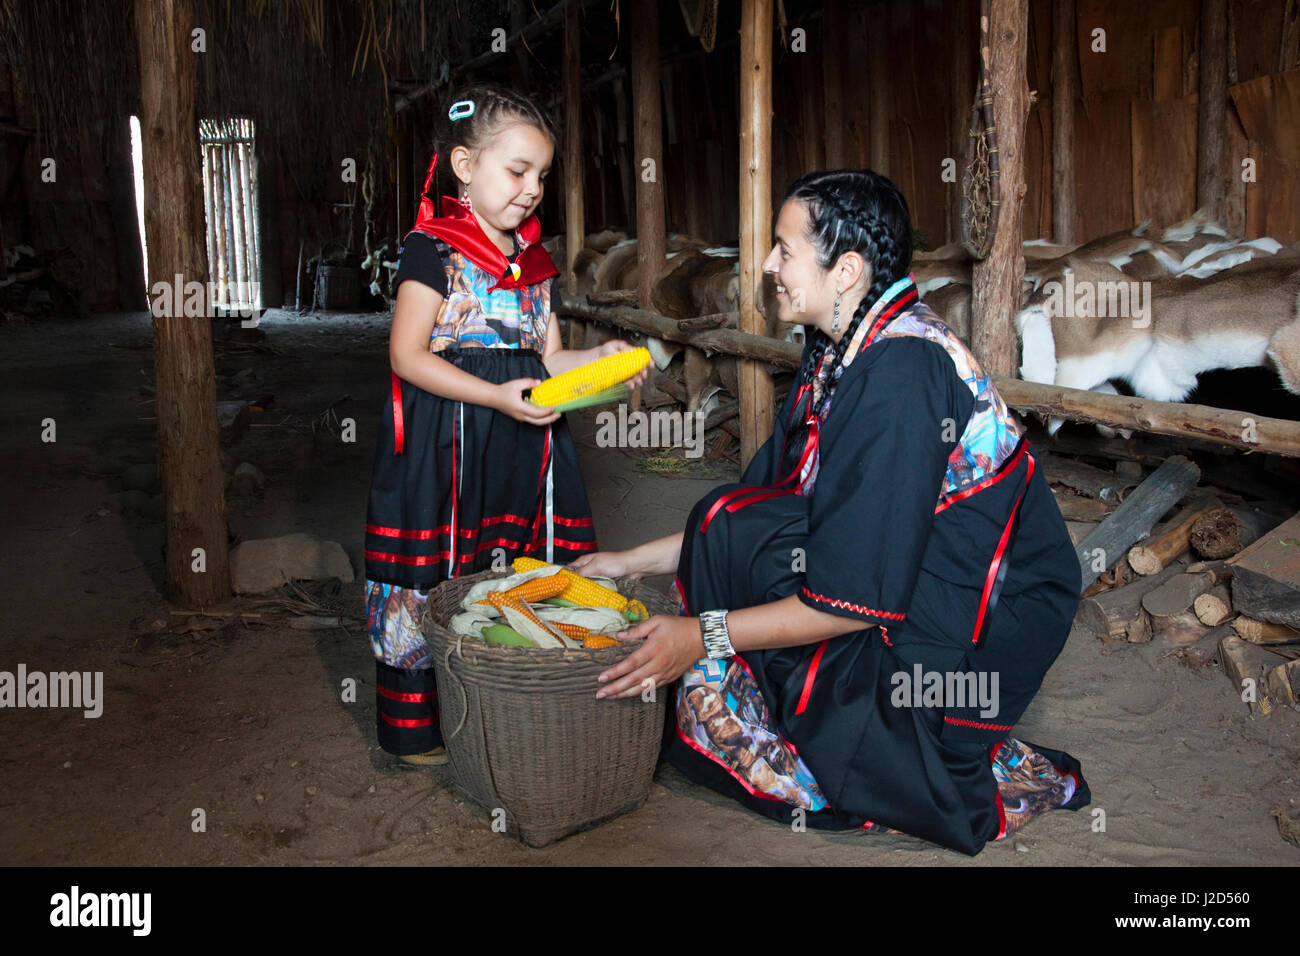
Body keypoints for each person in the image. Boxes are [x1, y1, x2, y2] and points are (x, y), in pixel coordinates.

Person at [573, 169, 1089, 855]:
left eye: (783, 249)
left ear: (846, 269)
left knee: (865, 747)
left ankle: (909, 735)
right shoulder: (839, 350)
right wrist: (628, 560)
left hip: (987, 604)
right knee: (732, 520)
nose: (764, 265)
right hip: (913, 560)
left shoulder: (901, 373)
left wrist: (701, 637)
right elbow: (771, 498)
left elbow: (853, 599)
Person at [363, 83, 647, 766]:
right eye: (517, 171)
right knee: (431, 570)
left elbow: (547, 358)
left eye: (542, 177)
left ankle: (514, 703)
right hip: (447, 443)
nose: (531, 189)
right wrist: (493, 398)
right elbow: (406, 355)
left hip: (524, 441)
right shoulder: (432, 250)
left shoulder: (534, 263)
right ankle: (416, 730)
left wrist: (599, 361)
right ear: (464, 166)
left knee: (522, 568)